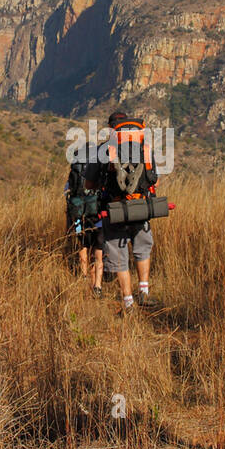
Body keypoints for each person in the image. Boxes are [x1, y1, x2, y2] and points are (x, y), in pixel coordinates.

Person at [99, 111, 158, 312]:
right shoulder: (146, 149)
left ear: (111, 129)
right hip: (141, 207)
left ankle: (128, 302)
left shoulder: (105, 150)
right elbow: (154, 179)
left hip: (115, 209)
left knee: (118, 254)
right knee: (142, 249)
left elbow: (92, 181)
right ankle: (144, 292)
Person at [64, 144, 105, 298]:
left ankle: (84, 277)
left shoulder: (74, 173)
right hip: (98, 217)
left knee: (83, 245)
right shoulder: (99, 172)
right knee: (98, 251)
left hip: (79, 216)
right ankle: (98, 286)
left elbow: (67, 194)